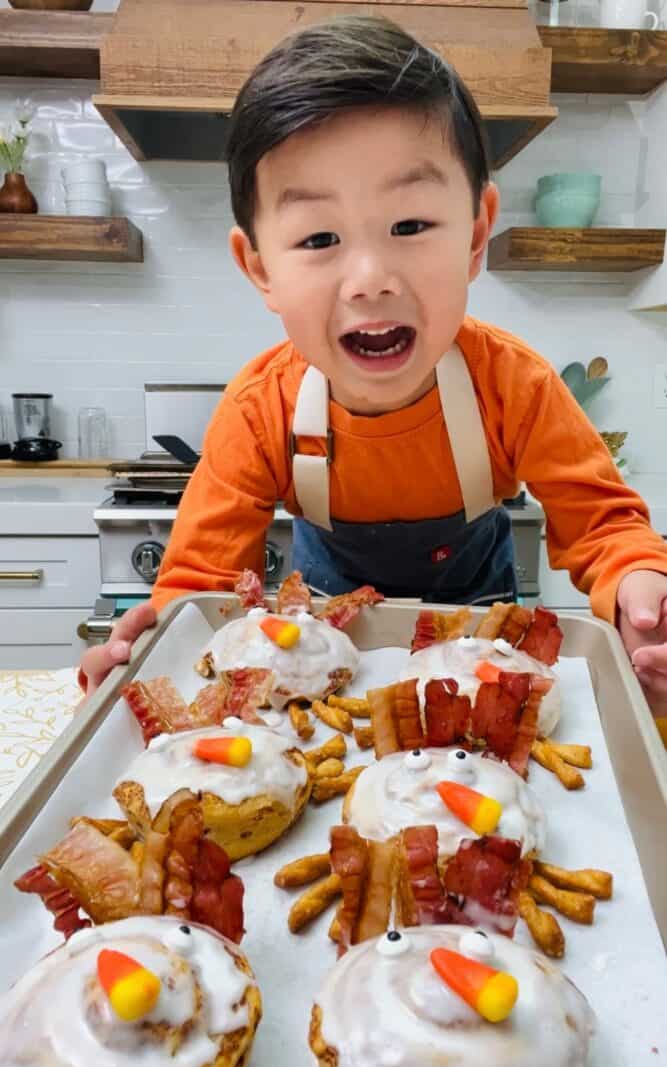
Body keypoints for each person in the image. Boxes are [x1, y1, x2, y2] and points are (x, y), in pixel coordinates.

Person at [78, 14, 667, 713]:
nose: (368, 279)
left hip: (483, 668)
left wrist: (639, 588)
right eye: (320, 237)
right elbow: (197, 588)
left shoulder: (514, 384)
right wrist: (149, 649)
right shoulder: (260, 406)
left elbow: (604, 528)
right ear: (260, 268)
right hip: (321, 677)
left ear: (476, 234)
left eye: (410, 226)